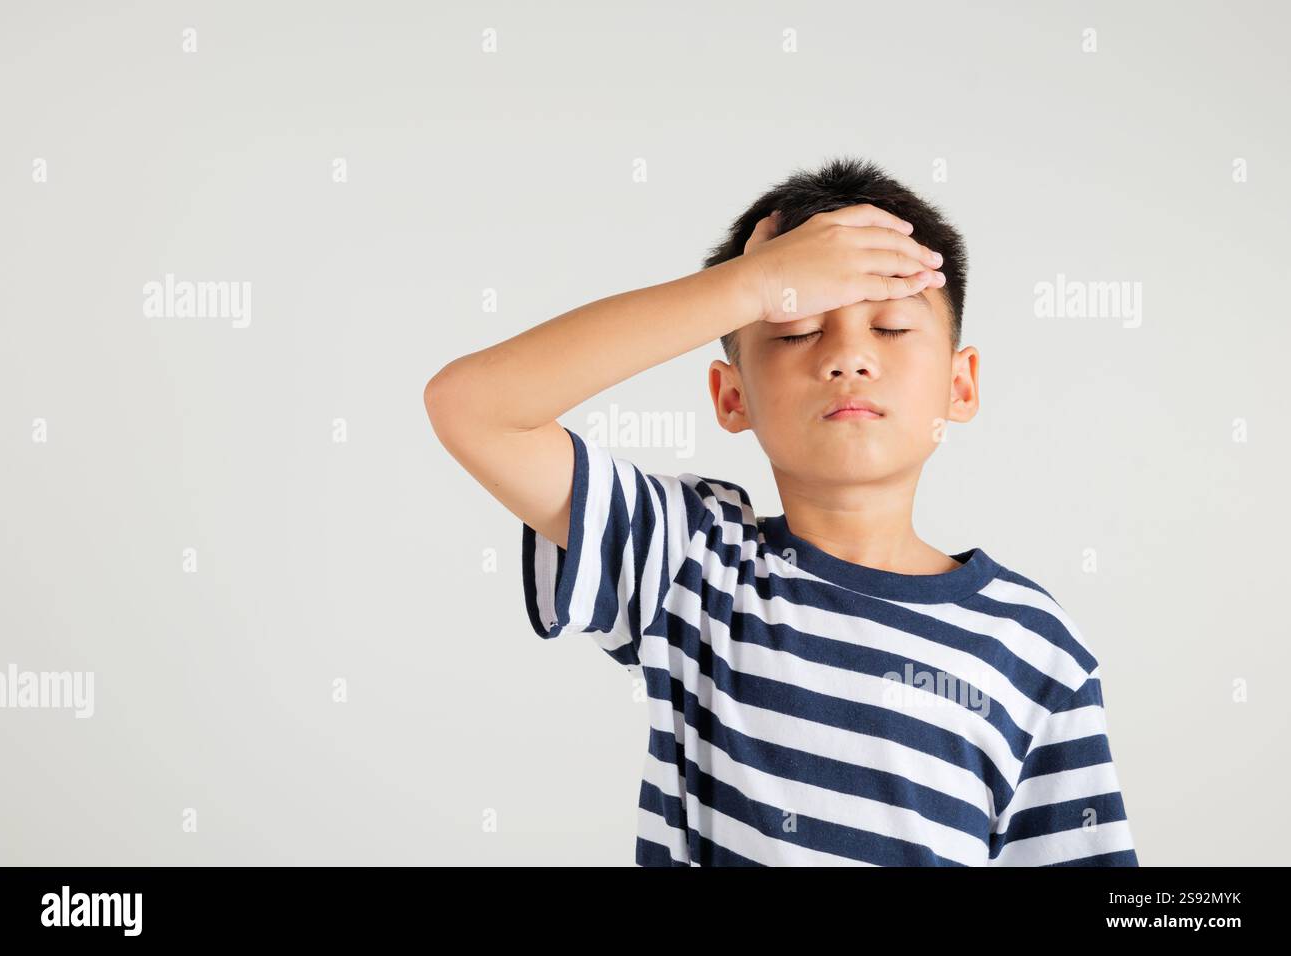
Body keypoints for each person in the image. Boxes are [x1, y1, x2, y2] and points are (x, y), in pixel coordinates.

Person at [424, 156, 1139, 867]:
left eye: (890, 327)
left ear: (961, 385)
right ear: (732, 396)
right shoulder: (692, 563)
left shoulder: (1036, 649)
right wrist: (751, 284)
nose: (848, 357)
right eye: (796, 330)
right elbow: (475, 408)